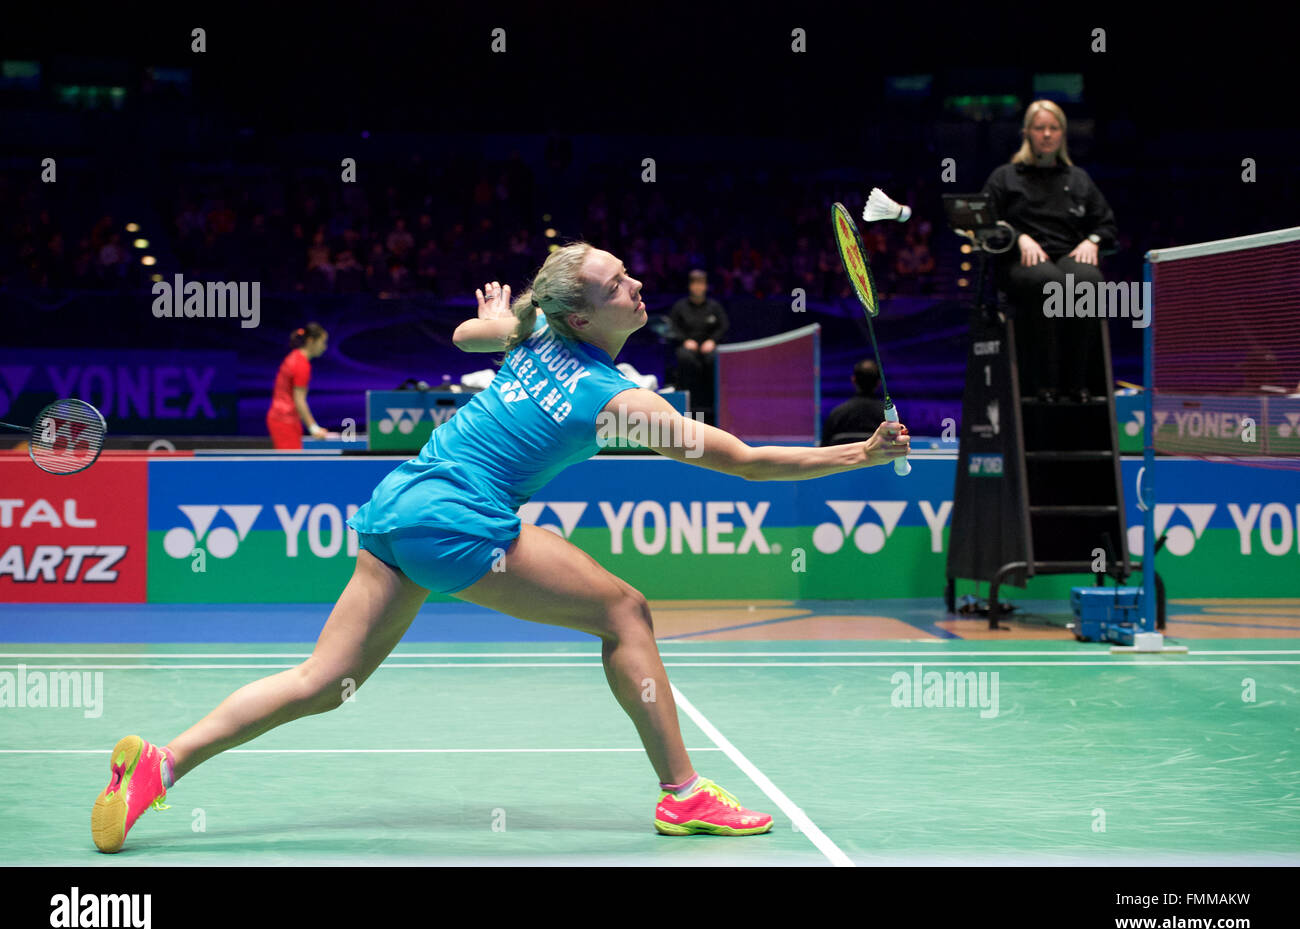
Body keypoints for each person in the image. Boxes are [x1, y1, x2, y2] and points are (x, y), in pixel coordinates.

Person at [90, 243, 910, 852]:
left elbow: (468, 337)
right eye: (617, 283)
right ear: (583, 317)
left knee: (323, 682)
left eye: (628, 272)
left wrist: (491, 325)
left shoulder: (542, 342)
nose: (637, 285)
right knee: (625, 609)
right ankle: (683, 793)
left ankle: (165, 762)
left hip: (399, 502)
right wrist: (859, 455)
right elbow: (743, 459)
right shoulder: (611, 395)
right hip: (455, 514)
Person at [982, 99, 1118, 402]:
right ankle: (1043, 385)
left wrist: (1092, 240)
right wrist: (1018, 237)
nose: (1047, 134)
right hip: (1021, 263)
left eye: (1053, 128)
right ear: (1027, 133)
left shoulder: (1078, 179)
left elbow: (1107, 225)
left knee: (1087, 282)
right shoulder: (1005, 177)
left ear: (1062, 134)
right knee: (1050, 283)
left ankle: (1079, 385)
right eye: (1040, 128)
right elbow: (984, 221)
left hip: (1067, 257)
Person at [665, 269, 728, 422]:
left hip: (709, 347)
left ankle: (714, 405)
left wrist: (712, 340)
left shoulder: (714, 307)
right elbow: (672, 326)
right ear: (690, 286)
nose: (698, 287)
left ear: (705, 286)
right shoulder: (680, 307)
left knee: (714, 359)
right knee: (685, 358)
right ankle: (689, 406)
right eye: (695, 284)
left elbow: (723, 326)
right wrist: (684, 340)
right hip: (687, 346)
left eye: (701, 283)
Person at [266, 323, 330, 449]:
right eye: (322, 342)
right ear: (311, 341)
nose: (324, 347)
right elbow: (299, 400)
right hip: (284, 420)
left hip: (287, 419)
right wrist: (314, 428)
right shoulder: (301, 364)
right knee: (290, 466)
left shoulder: (295, 357)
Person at [822, 359, 888, 445]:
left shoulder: (836, 415)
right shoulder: (889, 417)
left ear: (853, 380)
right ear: (879, 382)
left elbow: (824, 451)